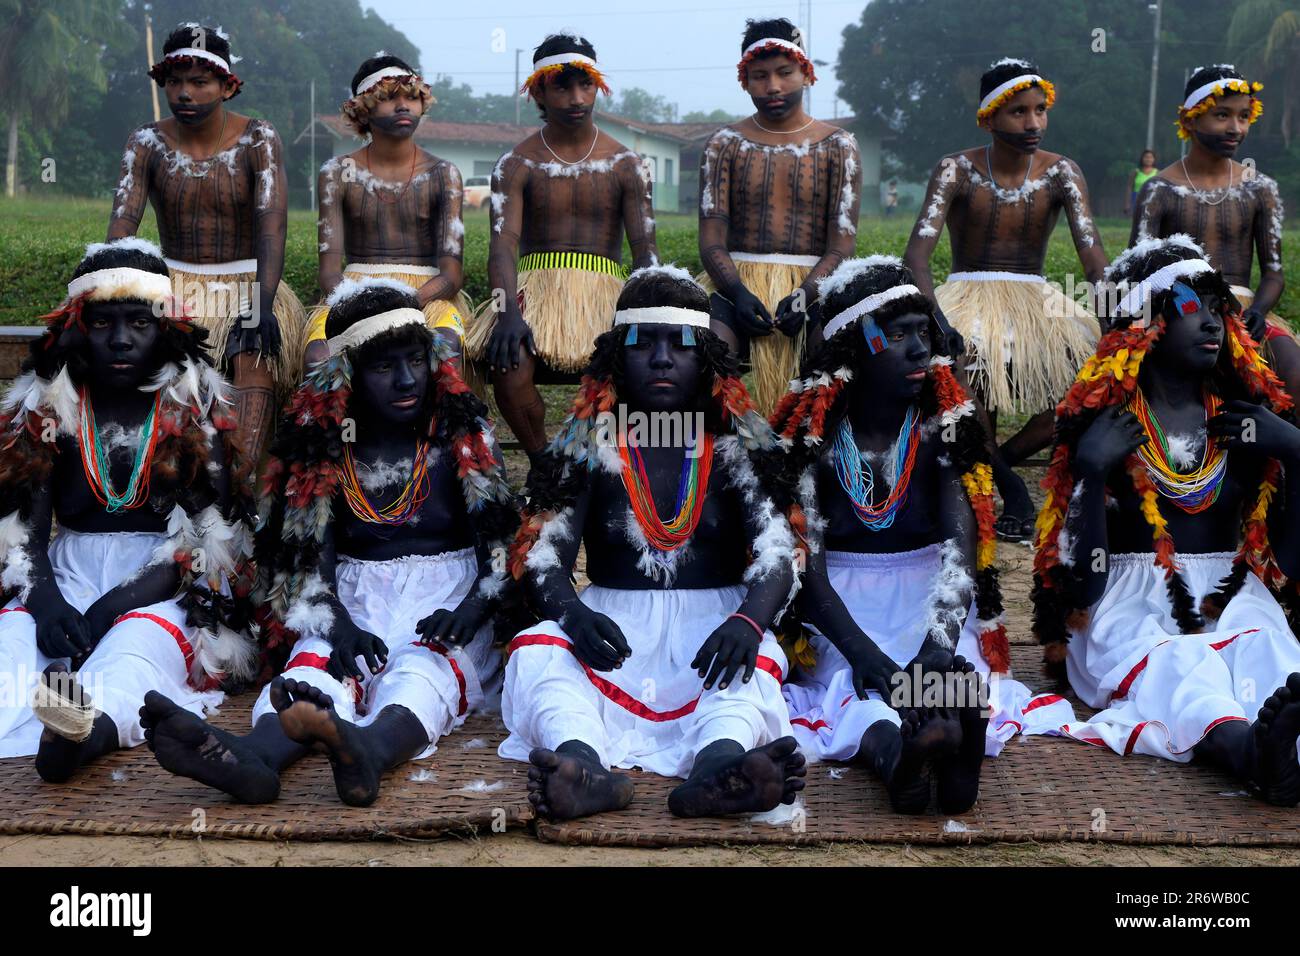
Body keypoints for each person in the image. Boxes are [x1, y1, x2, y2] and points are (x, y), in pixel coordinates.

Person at [141, 280, 518, 806]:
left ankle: (370, 750)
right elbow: (308, 564)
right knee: (313, 665)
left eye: (415, 359)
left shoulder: (460, 432)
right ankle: (256, 760)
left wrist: (473, 609)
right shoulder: (321, 447)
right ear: (346, 376)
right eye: (384, 368)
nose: (407, 379)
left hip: (447, 598)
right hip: (349, 594)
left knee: (421, 673)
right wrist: (339, 627)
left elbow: (502, 544)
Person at [502, 264, 806, 820]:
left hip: (716, 630)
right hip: (609, 629)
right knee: (541, 652)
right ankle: (584, 768)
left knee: (754, 664)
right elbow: (544, 559)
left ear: (709, 362)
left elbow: (779, 554)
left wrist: (747, 622)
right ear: (617, 358)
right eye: (644, 345)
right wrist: (573, 617)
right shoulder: (590, 445)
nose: (663, 359)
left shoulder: (736, 446)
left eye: (682, 346)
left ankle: (721, 768)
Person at [1030, 235, 1300, 806]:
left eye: (1218, 310)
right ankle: (1247, 751)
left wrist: (1295, 450)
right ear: (1143, 324)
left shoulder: (1243, 422)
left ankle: (1284, 747)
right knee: (1180, 666)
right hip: (1129, 603)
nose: (1211, 324)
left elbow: (1290, 560)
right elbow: (1081, 584)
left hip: (1230, 595)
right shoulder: (1105, 427)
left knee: (1273, 655)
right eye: (1189, 307)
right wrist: (1092, 472)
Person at [760, 256, 1032, 813]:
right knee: (854, 692)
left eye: (923, 332)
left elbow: (961, 557)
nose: (918, 348)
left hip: (930, 604)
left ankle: (956, 746)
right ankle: (903, 759)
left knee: (946, 673)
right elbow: (806, 568)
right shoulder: (815, 442)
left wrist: (936, 647)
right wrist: (860, 652)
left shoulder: (941, 433)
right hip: (839, 610)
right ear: (849, 349)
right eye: (898, 334)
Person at [0, 238, 256, 780]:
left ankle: (76, 740)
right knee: (12, 648)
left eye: (139, 323)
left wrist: (110, 608)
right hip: (62, 575)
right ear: (77, 327)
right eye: (102, 323)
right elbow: (24, 531)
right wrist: (45, 602)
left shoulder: (189, 407)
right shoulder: (51, 405)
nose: (120, 339)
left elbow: (202, 545)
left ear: (165, 327)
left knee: (131, 657)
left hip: (161, 586)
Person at [904, 57, 1108, 543]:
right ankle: (1012, 488)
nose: (1034, 122)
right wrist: (937, 321)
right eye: (1019, 112)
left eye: (1040, 110)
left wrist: (1118, 308)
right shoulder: (955, 169)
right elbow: (917, 255)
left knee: (1095, 377)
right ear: (989, 116)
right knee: (957, 369)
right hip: (967, 294)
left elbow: (1092, 254)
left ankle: (997, 465)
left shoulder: (1063, 172)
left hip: (1036, 300)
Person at [107, 22, 307, 464]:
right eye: (175, 82)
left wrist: (263, 302)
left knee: (254, 351)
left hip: (247, 282)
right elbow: (124, 219)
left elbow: (272, 227)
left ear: (227, 85)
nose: (184, 94)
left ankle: (237, 487)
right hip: (172, 286)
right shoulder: (146, 141)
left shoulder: (258, 138)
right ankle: (163, 481)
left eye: (199, 82)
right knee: (158, 364)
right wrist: (108, 289)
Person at [462, 32, 658, 462]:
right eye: (561, 86)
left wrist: (646, 311)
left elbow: (645, 248)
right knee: (508, 362)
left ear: (598, 86)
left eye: (585, 84)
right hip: (535, 291)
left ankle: (613, 467)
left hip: (606, 293)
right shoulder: (516, 164)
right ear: (538, 91)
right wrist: (505, 312)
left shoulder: (627, 164)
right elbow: (501, 248)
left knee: (643, 364)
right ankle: (543, 464)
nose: (576, 97)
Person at [696, 17, 862, 415]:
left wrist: (806, 294)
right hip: (735, 280)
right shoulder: (725, 144)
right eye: (759, 76)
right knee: (707, 354)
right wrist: (736, 293)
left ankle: (813, 452)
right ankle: (731, 454)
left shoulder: (839, 146)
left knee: (834, 355)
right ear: (744, 80)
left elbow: (841, 246)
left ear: (806, 72)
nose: (772, 87)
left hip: (814, 283)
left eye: (784, 73)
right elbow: (711, 239)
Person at [1130, 65, 1300, 402]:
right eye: (1222, 115)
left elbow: (1273, 274)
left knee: (1292, 367)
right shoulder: (1159, 189)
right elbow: (1138, 272)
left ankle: (1281, 449)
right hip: (1177, 312)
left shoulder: (1260, 188)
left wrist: (1257, 313)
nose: (1236, 127)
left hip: (1245, 312)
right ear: (1190, 120)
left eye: (1244, 116)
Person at [303, 54, 471, 370]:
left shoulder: (443, 173)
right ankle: (331, 420)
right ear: (363, 109)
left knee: (446, 348)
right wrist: (360, 304)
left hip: (428, 295)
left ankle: (445, 421)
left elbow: (451, 276)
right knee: (318, 356)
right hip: (353, 291)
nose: (403, 105)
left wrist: (406, 303)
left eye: (411, 96)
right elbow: (329, 272)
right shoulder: (338, 172)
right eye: (389, 97)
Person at [1126, 149, 1157, 216]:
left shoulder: (1158, 173)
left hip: (1152, 199)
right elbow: (1129, 187)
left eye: (1150, 157)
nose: (1148, 159)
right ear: (1142, 158)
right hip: (1137, 198)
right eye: (1146, 157)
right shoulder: (1135, 172)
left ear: (1154, 159)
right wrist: (1127, 204)